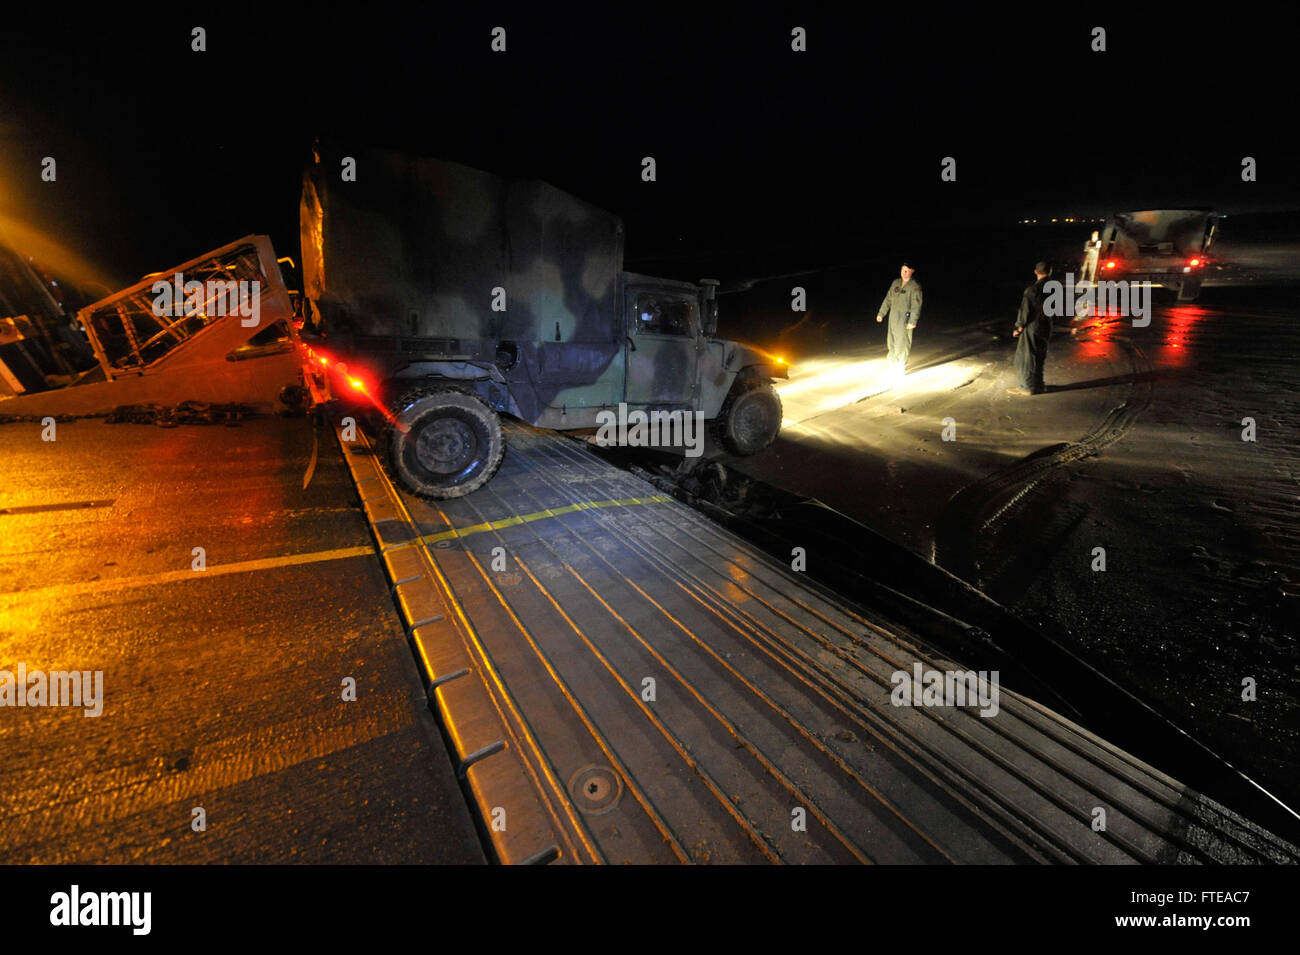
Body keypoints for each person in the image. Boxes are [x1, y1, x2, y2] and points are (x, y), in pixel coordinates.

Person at [1009, 261, 1053, 396]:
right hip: (1046, 326)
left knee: (1028, 357)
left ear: (1035, 272)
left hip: (1033, 327)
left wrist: (1019, 327)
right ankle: (1039, 384)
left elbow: (1025, 311)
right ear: (1050, 271)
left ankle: (1027, 387)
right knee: (1040, 355)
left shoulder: (1032, 290)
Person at [875, 262, 922, 375]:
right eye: (903, 270)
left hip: (905, 319)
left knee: (903, 342)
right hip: (893, 317)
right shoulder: (895, 283)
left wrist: (913, 321)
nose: (904, 273)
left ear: (912, 271)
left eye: (907, 271)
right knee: (891, 341)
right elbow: (888, 299)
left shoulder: (914, 286)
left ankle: (901, 365)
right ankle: (893, 364)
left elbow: (916, 305)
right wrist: (881, 313)